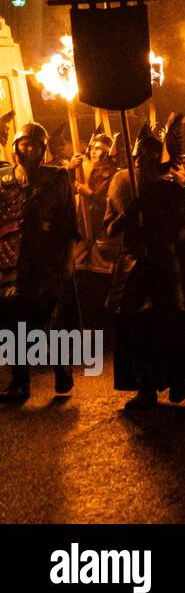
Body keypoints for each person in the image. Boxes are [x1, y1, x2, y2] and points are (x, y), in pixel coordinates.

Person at [104, 122, 185, 410]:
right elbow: (110, 230)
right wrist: (129, 213)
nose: (143, 165)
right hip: (134, 266)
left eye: (149, 160)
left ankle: (175, 380)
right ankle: (145, 387)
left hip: (165, 268)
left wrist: (166, 226)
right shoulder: (122, 184)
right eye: (139, 159)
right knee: (135, 327)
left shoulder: (172, 190)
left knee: (167, 325)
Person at [0, 123, 80, 403]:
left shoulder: (56, 178)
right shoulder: (4, 179)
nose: (29, 149)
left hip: (47, 258)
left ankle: (62, 370)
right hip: (12, 259)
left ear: (43, 149)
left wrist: (68, 259)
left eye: (34, 145)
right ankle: (20, 382)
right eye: (24, 144)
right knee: (12, 322)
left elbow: (69, 222)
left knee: (46, 319)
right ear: (16, 147)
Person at [69, 132, 118, 274]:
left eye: (98, 148)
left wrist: (88, 193)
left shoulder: (113, 174)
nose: (93, 152)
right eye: (92, 148)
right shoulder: (90, 169)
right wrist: (72, 169)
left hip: (101, 233)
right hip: (85, 228)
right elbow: (69, 187)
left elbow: (109, 202)